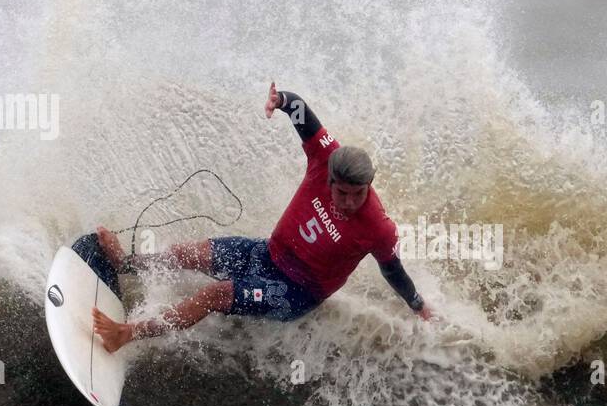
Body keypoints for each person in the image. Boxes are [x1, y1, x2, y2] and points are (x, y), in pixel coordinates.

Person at [90, 83, 431, 353]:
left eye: (359, 194)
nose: (350, 202)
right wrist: (279, 99)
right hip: (266, 253)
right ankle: (125, 264)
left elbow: (392, 269)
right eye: (342, 193)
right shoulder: (324, 156)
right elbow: (301, 111)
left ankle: (127, 334)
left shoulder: (378, 227)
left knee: (216, 294)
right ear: (330, 179)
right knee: (185, 253)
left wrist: (417, 304)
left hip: (294, 292)